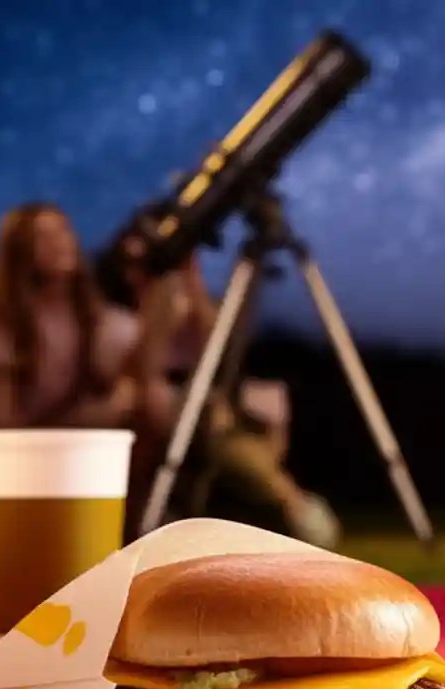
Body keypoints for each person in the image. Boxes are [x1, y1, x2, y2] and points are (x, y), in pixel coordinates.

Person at [97, 221, 341, 548]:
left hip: (207, 401)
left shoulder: (187, 302)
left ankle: (287, 504)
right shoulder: (114, 320)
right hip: (163, 404)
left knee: (230, 416)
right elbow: (143, 370)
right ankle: (292, 503)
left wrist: (190, 280)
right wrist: (159, 304)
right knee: (214, 421)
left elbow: (218, 347)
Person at [0, 203, 140, 431]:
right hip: (34, 439)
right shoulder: (8, 322)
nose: (58, 242)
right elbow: (2, 414)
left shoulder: (99, 318)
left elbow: (133, 361)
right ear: (21, 251)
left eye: (63, 231)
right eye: (42, 237)